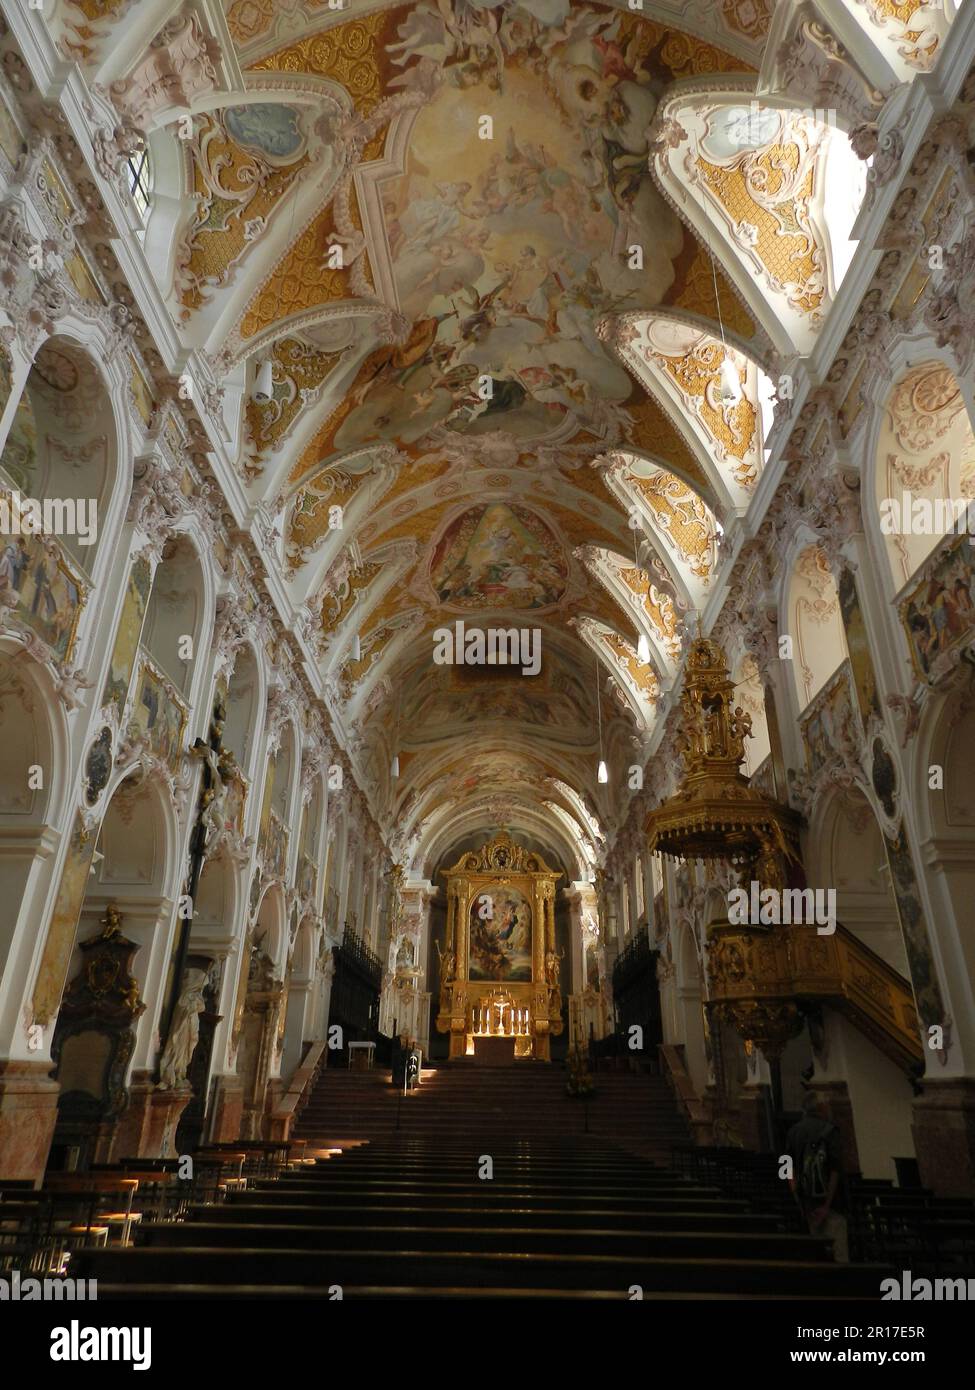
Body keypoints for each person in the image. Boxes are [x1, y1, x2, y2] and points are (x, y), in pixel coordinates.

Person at [786, 1092, 848, 1262]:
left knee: (816, 1253)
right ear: (820, 1108)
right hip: (831, 1204)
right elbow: (835, 1170)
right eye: (827, 1105)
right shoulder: (830, 1131)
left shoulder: (793, 1132)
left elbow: (787, 1168)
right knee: (838, 1251)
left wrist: (797, 1197)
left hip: (806, 1203)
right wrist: (827, 1204)